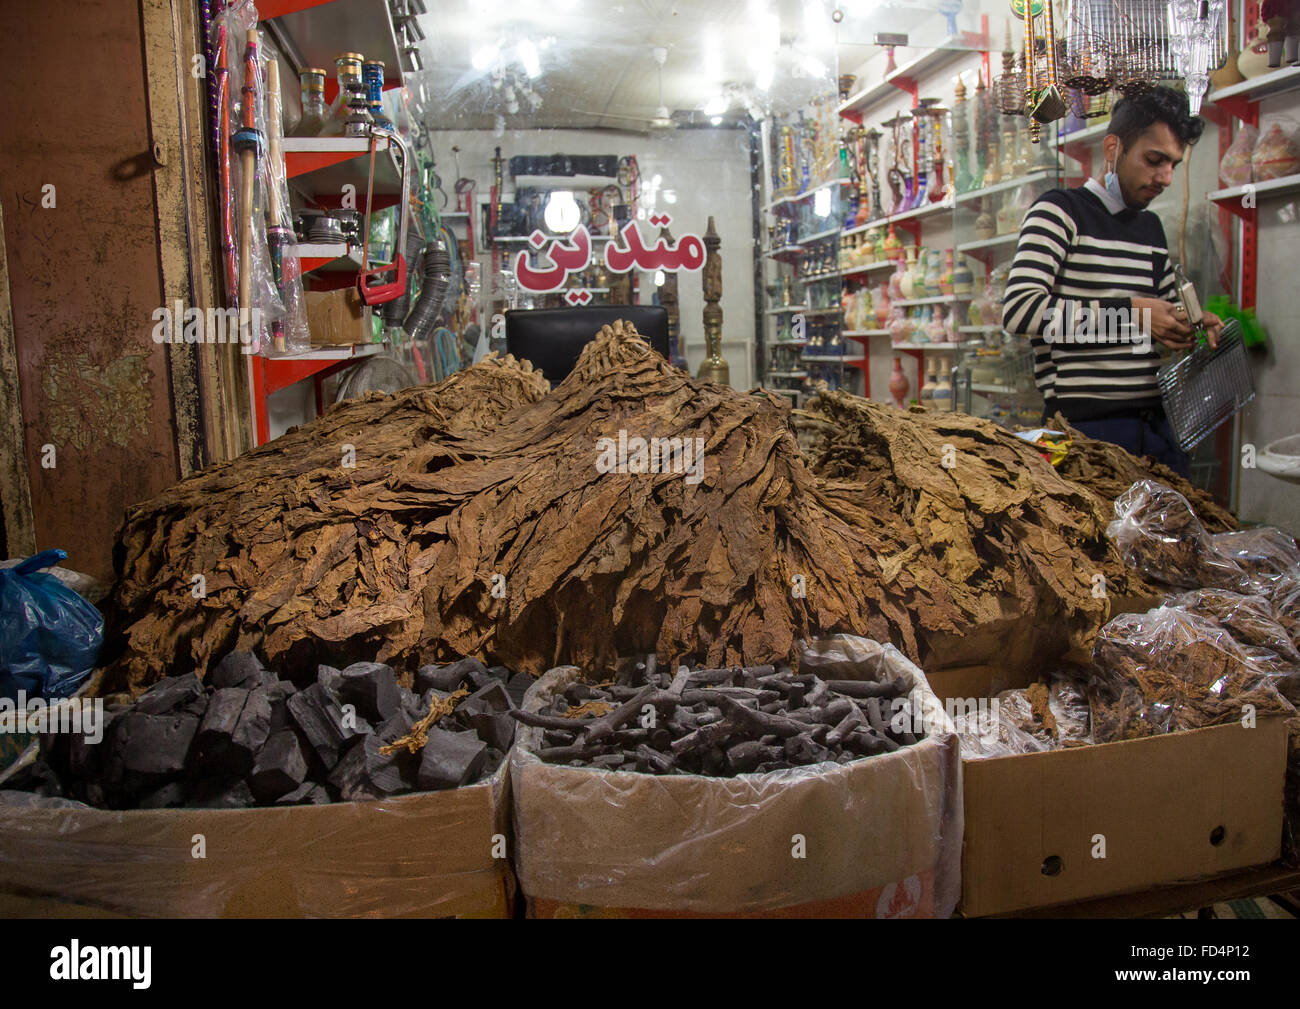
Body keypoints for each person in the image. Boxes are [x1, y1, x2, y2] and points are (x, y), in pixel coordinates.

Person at [1001, 86, 1222, 476]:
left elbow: (1165, 316)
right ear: (1112, 148)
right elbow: (1021, 312)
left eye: (1173, 164)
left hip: (1155, 428)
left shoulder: (1151, 228)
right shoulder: (1058, 211)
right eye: (1154, 160)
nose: (1165, 177)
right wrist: (1134, 315)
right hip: (1079, 431)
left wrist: (1190, 324)